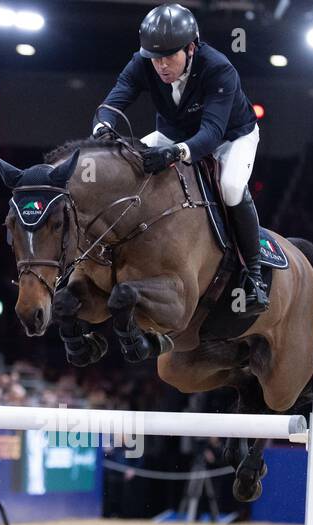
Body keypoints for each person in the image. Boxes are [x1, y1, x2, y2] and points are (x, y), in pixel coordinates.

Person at [92, 3, 269, 314]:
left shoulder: (218, 68)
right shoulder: (143, 63)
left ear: (191, 47)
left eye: (169, 56)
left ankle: (254, 276)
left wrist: (176, 153)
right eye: (156, 58)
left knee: (229, 187)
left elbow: (211, 133)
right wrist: (103, 127)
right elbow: (114, 100)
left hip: (231, 137)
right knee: (128, 167)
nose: (161, 65)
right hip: (173, 133)